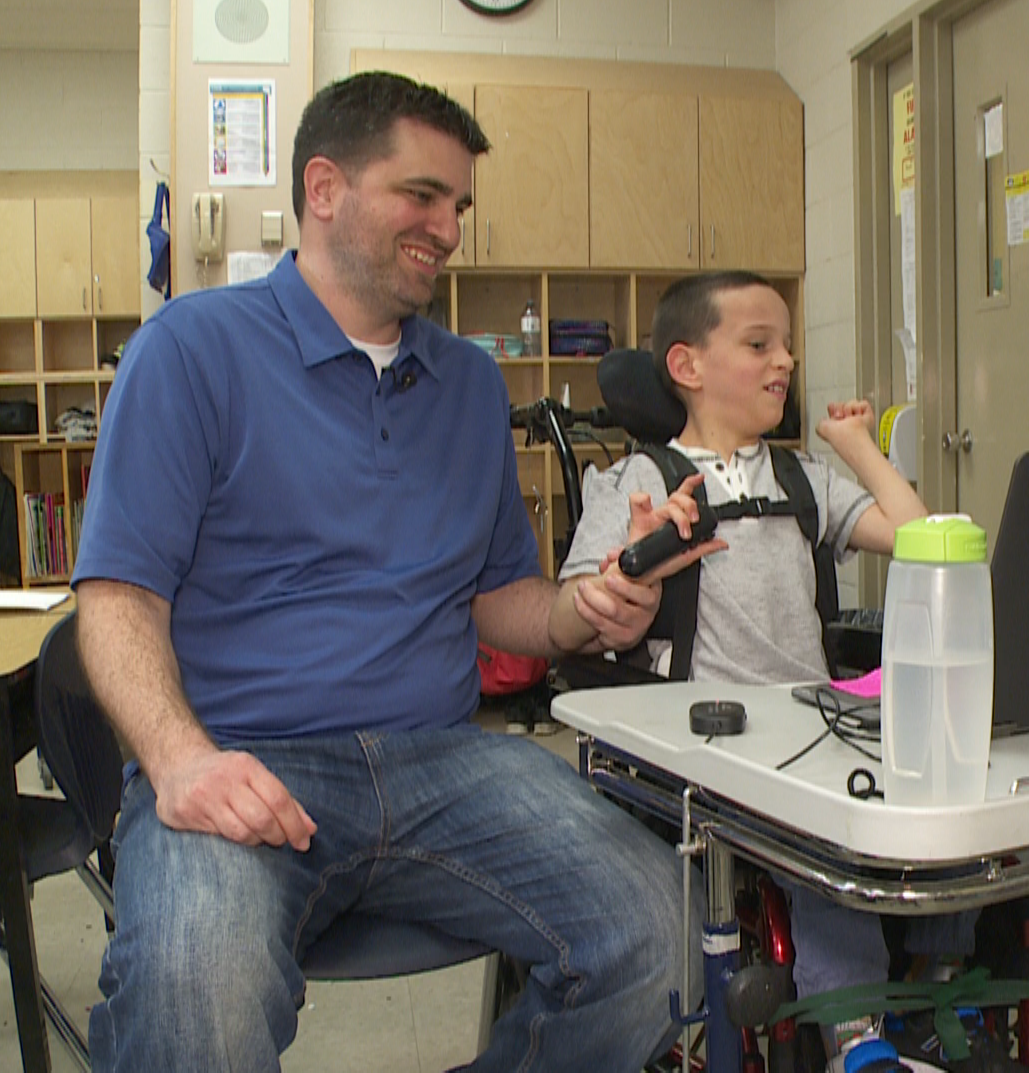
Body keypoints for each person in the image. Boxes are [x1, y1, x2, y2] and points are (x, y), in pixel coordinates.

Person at [72, 71, 711, 1073]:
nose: (449, 227)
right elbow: (115, 598)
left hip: (440, 760)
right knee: (193, 989)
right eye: (423, 196)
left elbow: (503, 601)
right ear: (325, 189)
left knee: (663, 931)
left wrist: (589, 609)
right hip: (245, 753)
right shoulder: (189, 351)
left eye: (458, 205)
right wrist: (178, 758)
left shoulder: (466, 382)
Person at [559, 272, 975, 1068]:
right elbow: (582, 600)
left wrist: (856, 447)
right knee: (822, 838)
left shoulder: (801, 478)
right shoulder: (639, 479)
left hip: (815, 714)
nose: (783, 359)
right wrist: (636, 564)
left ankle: (942, 981)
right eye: (758, 344)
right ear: (686, 365)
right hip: (710, 732)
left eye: (786, 344)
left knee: (946, 797)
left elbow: (924, 538)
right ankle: (859, 1033)